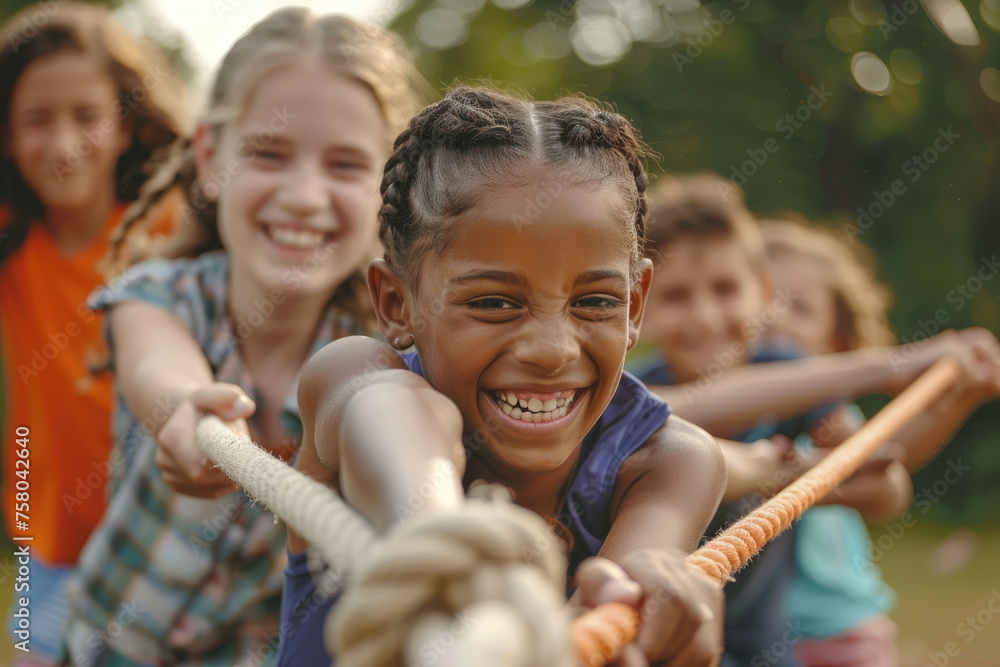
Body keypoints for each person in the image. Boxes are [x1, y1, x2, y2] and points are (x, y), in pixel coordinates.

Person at [282, 87, 730, 666]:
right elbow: (389, 414)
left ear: (635, 305)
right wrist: (444, 550)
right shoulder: (355, 374)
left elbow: (566, 648)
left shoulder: (668, 465)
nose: (551, 350)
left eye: (594, 301)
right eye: (494, 303)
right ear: (396, 304)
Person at [62, 9, 426, 666]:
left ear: (385, 192)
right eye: (268, 153)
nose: (305, 195)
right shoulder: (158, 298)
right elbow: (159, 369)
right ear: (210, 159)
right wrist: (187, 411)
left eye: (345, 165)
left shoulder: (389, 355)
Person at [630, 173, 1000, 666]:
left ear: (762, 292)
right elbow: (700, 402)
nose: (704, 316)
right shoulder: (635, 390)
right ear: (643, 305)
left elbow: (883, 482)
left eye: (724, 288)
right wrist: (889, 366)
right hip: (673, 646)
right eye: (677, 296)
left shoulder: (790, 372)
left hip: (767, 650)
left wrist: (953, 398)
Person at [0, 4, 188, 664]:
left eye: (86, 116)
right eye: (35, 120)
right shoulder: (14, 240)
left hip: (167, 547)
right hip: (47, 543)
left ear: (127, 125)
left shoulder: (170, 229)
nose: (61, 145)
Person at [762, 218, 999, 666]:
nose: (774, 322)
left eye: (801, 309)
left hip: (845, 624)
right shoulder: (733, 408)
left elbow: (890, 455)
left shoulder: (824, 415)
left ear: (836, 342)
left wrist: (956, 400)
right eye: (762, 303)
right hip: (767, 635)